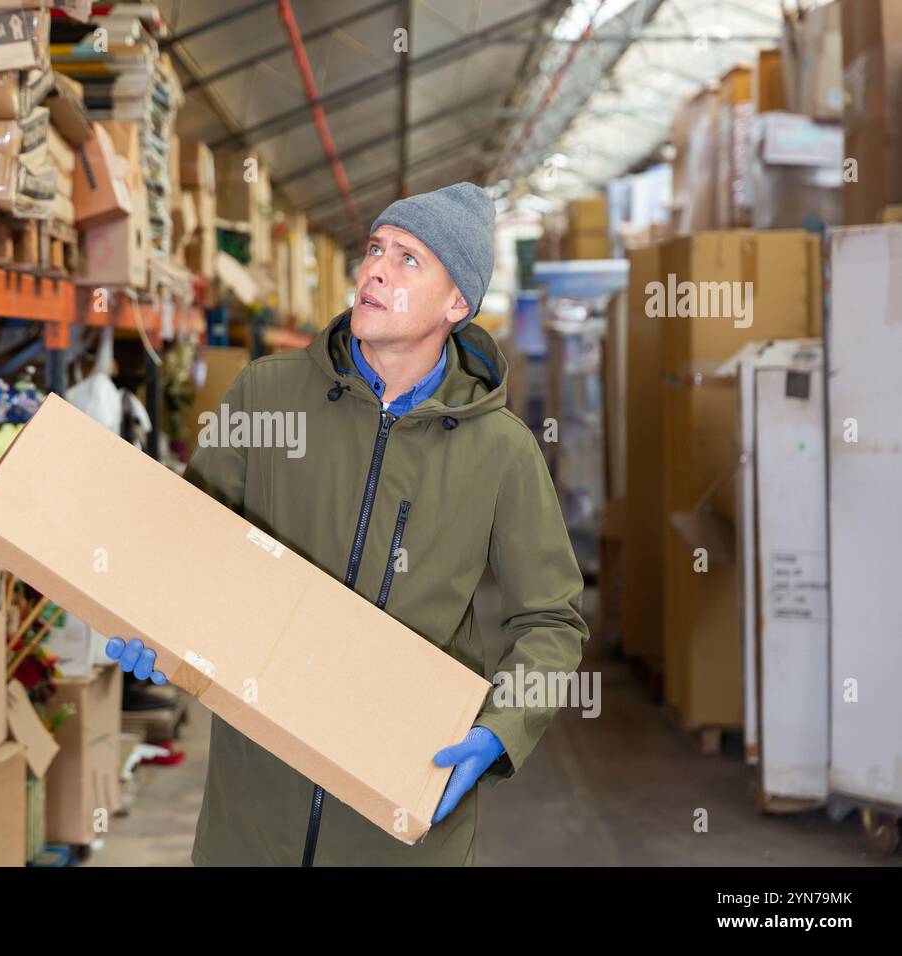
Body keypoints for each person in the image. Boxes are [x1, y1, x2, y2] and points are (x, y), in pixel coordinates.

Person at [106, 181, 588, 866]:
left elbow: (551, 621)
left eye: (410, 259)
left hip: (399, 820)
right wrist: (150, 617)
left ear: (458, 304)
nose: (378, 270)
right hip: (251, 814)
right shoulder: (267, 393)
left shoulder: (502, 451)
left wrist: (499, 732)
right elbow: (193, 542)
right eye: (376, 250)